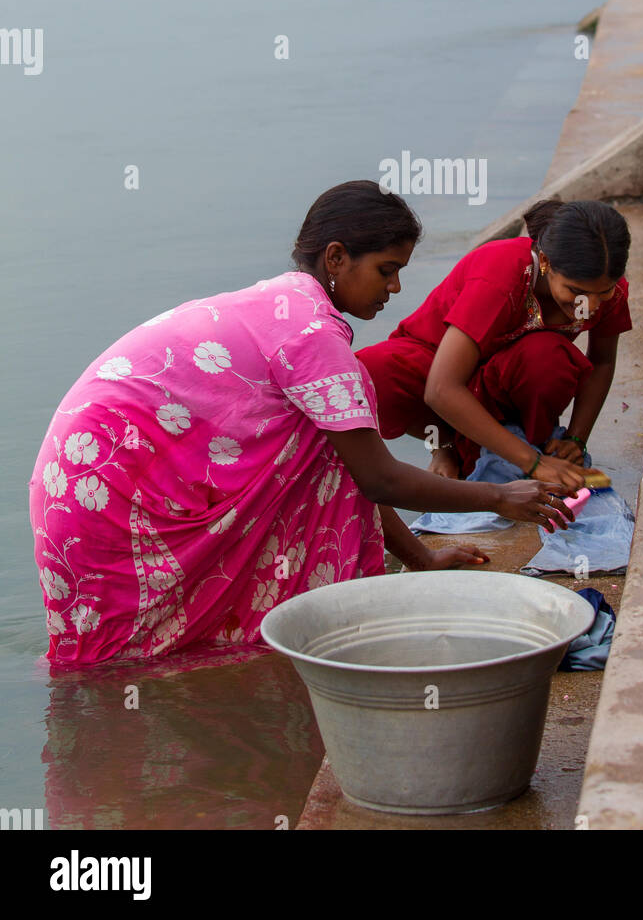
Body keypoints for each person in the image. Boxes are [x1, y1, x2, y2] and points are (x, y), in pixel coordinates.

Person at [29, 181, 570, 667]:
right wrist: (499, 499)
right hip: (103, 485)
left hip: (89, 472)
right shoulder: (310, 333)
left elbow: (351, 464)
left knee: (129, 660)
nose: (397, 289)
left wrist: (421, 558)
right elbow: (378, 478)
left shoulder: (290, 307)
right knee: (109, 664)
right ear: (336, 257)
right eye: (387, 269)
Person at [357, 199, 631, 486]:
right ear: (546, 261)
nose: (589, 304)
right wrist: (533, 463)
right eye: (576, 291)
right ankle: (451, 446)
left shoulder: (607, 291)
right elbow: (441, 388)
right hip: (440, 374)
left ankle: (532, 442)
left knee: (546, 357)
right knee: (373, 374)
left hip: (504, 380)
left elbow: (602, 361)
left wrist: (576, 438)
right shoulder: (501, 273)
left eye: (604, 292)